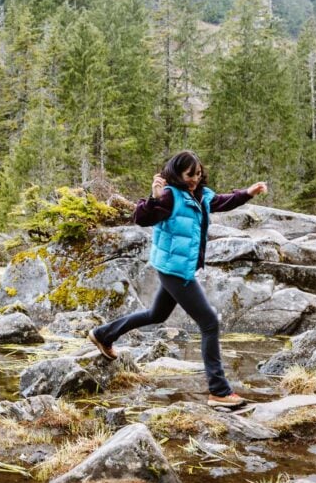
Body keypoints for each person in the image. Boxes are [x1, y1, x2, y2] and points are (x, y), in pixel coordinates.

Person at [88, 150, 268, 408]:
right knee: (209, 322)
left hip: (178, 267)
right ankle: (219, 391)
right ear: (177, 174)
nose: (194, 179)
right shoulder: (170, 196)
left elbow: (222, 201)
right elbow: (141, 218)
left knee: (156, 315)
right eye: (189, 175)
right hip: (174, 270)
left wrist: (248, 193)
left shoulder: (201, 196)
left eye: (197, 174)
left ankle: (102, 334)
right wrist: (153, 197)